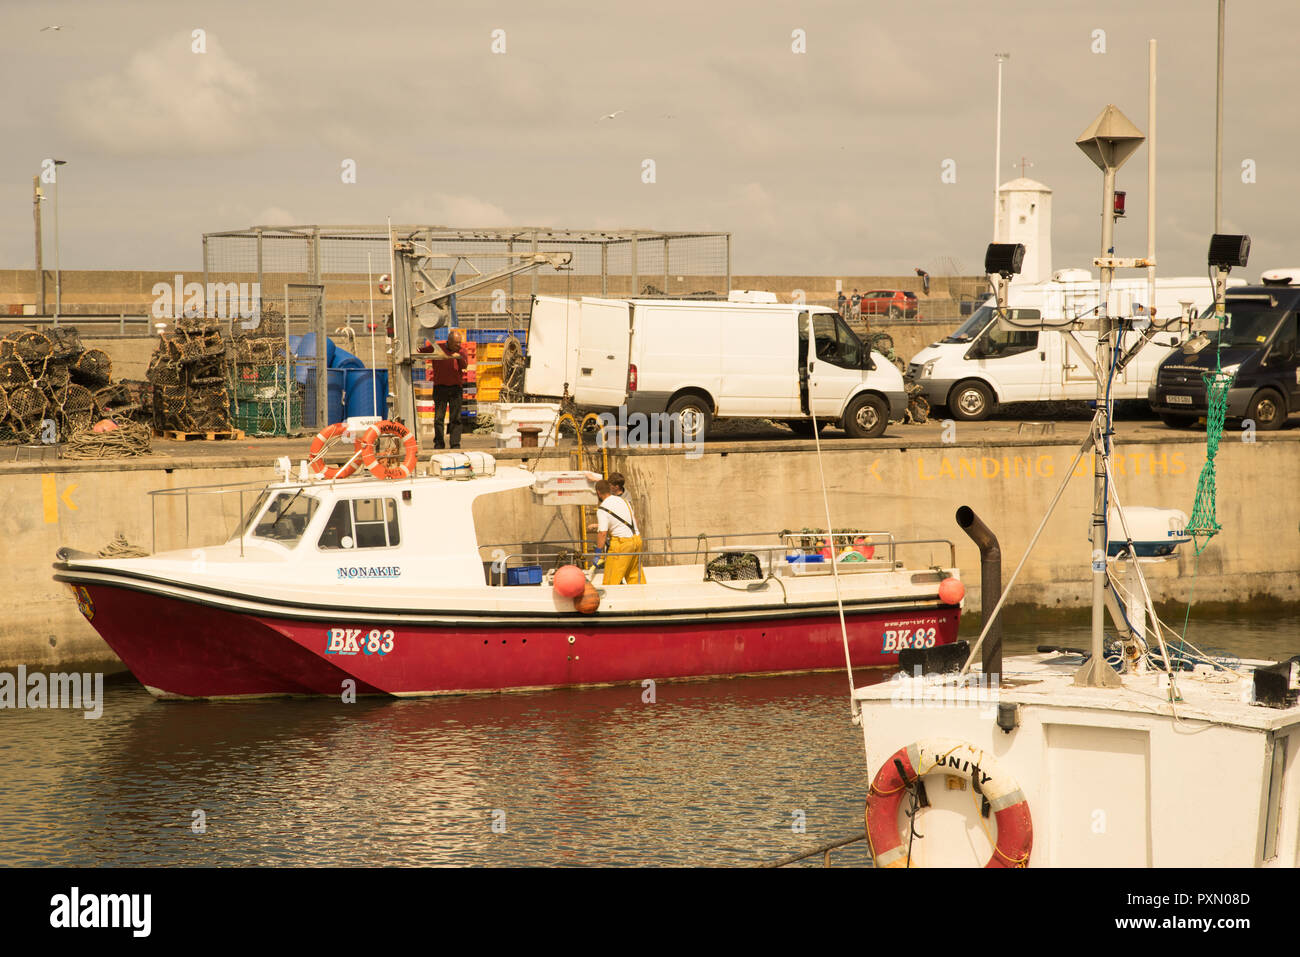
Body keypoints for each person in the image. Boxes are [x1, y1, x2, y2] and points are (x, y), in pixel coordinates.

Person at [587, 478, 645, 585]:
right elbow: (634, 520)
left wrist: (598, 554)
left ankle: (610, 601)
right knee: (635, 578)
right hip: (637, 541)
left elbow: (602, 533)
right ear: (609, 489)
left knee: (611, 581)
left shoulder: (603, 509)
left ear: (598, 493)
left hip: (621, 545)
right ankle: (638, 600)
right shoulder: (624, 501)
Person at [429, 330, 467, 449]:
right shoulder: (438, 348)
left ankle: (455, 444)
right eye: (456, 343)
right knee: (439, 418)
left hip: (456, 388)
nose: (458, 345)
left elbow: (464, 365)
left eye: (459, 343)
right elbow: (421, 351)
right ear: (449, 341)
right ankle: (439, 443)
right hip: (440, 388)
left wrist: (458, 357)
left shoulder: (461, 351)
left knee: (456, 418)